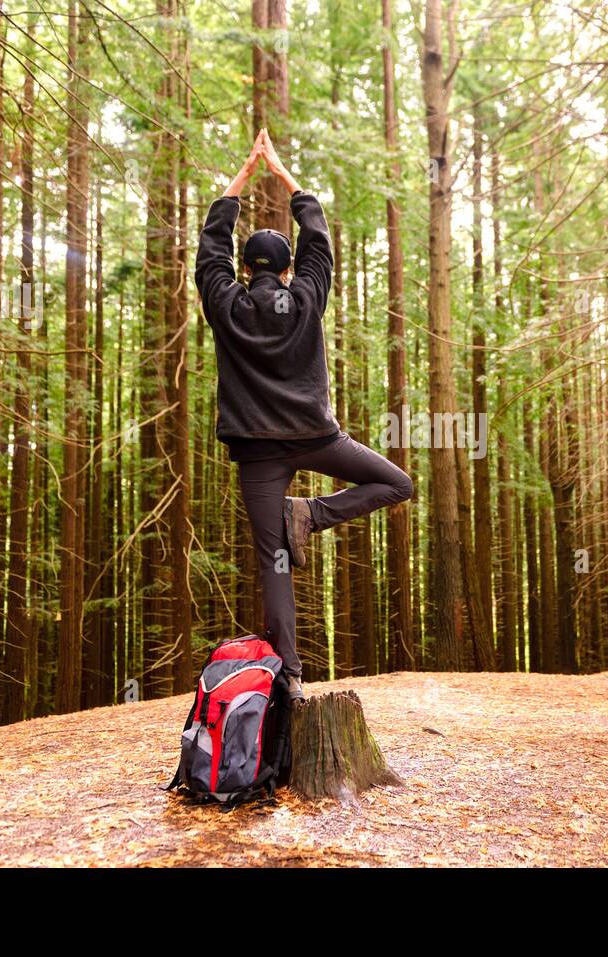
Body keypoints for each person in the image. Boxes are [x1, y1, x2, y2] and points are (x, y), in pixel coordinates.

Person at [194, 129, 412, 704]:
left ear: (244, 268)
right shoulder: (308, 295)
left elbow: (210, 246)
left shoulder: (225, 300)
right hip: (317, 437)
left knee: (276, 563)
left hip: (257, 454)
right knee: (397, 483)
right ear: (289, 270)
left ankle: (289, 676)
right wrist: (285, 174)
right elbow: (319, 239)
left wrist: (242, 177)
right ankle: (313, 514)